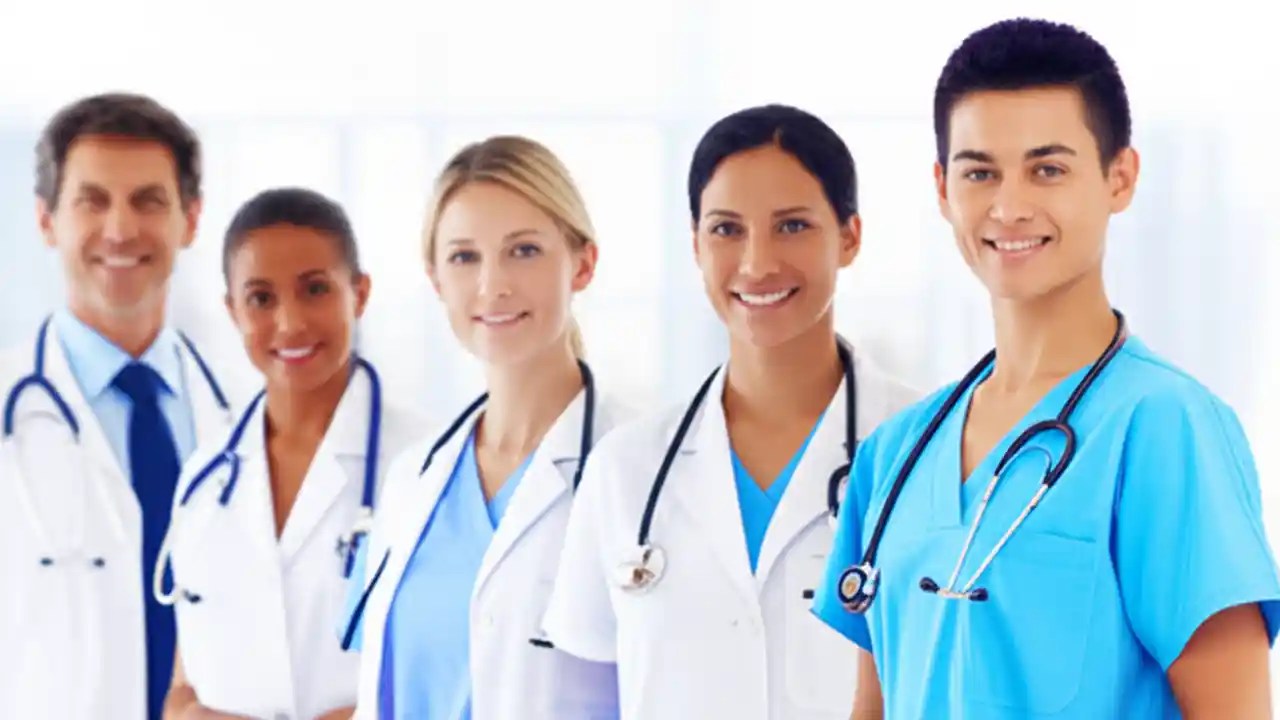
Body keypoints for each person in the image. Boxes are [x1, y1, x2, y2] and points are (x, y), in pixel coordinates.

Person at [813, 18, 1280, 719]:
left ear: (1119, 177)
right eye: (980, 172)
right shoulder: (895, 453)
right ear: (943, 189)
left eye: (1048, 169)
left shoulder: (1164, 430)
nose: (1009, 206)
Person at [540, 104, 919, 718]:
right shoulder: (625, 468)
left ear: (849, 237)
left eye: (792, 226)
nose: (757, 263)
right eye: (726, 229)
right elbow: (580, 701)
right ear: (694, 244)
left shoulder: (927, 449)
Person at [345, 136, 629, 720]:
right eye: (464, 257)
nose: (492, 285)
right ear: (435, 279)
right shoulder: (411, 481)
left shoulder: (636, 469)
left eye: (523, 251)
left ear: (583, 263)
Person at [0, 92, 236, 720]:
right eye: (92, 201)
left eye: (148, 201)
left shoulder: (246, 415)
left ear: (191, 219)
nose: (121, 230)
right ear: (47, 222)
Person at [157, 188, 426, 720]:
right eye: (261, 298)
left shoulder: (426, 462)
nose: (290, 323)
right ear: (232, 311)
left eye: (315, 289)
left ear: (360, 293)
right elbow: (183, 687)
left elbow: (452, 673)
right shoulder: (205, 477)